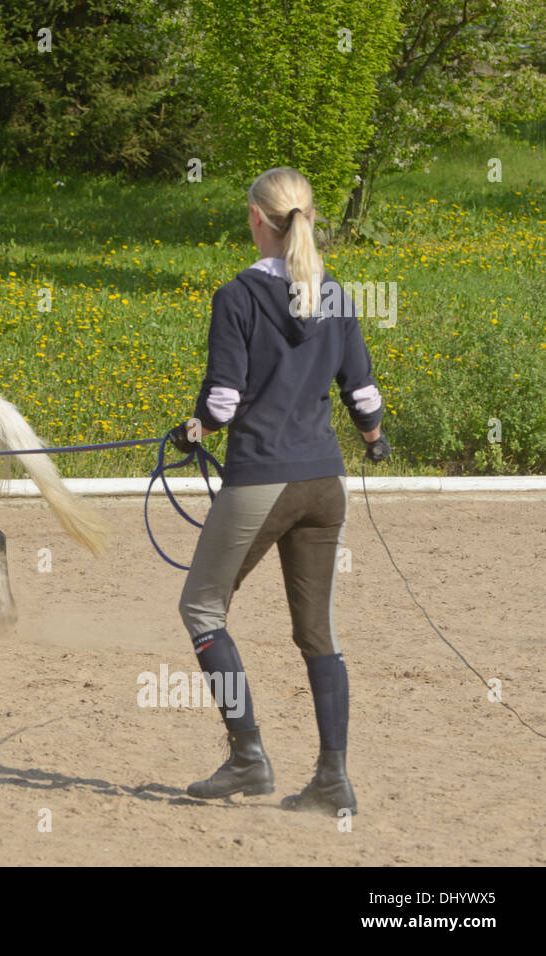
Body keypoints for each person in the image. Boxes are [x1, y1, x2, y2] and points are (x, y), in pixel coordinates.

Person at [166, 166, 390, 816]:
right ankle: (332, 778)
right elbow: (364, 394)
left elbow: (225, 401)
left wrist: (194, 429)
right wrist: (373, 439)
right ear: (308, 218)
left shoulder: (237, 295)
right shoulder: (337, 294)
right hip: (325, 482)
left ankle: (247, 757)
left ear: (257, 220)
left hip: (263, 475)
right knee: (318, 631)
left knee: (203, 611)